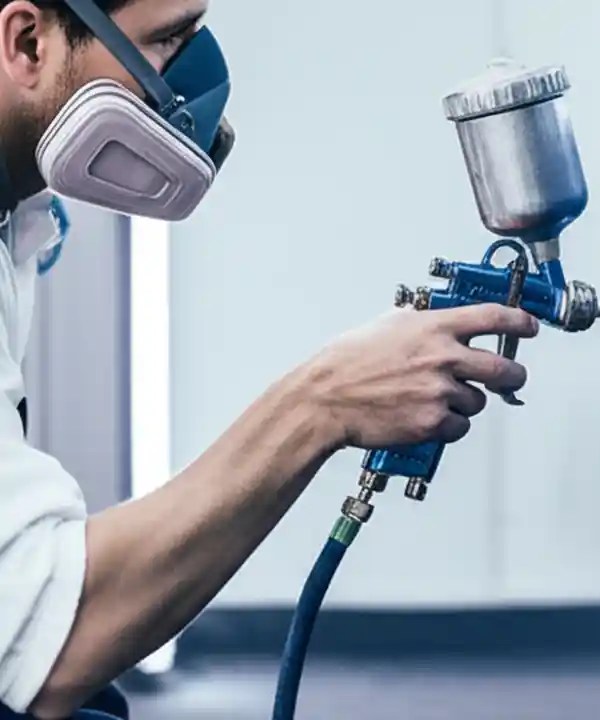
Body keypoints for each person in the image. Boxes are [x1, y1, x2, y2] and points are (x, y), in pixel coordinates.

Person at [0, 1, 536, 718]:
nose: (195, 79)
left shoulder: (21, 216)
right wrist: (323, 403)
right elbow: (49, 646)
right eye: (168, 41)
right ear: (28, 43)